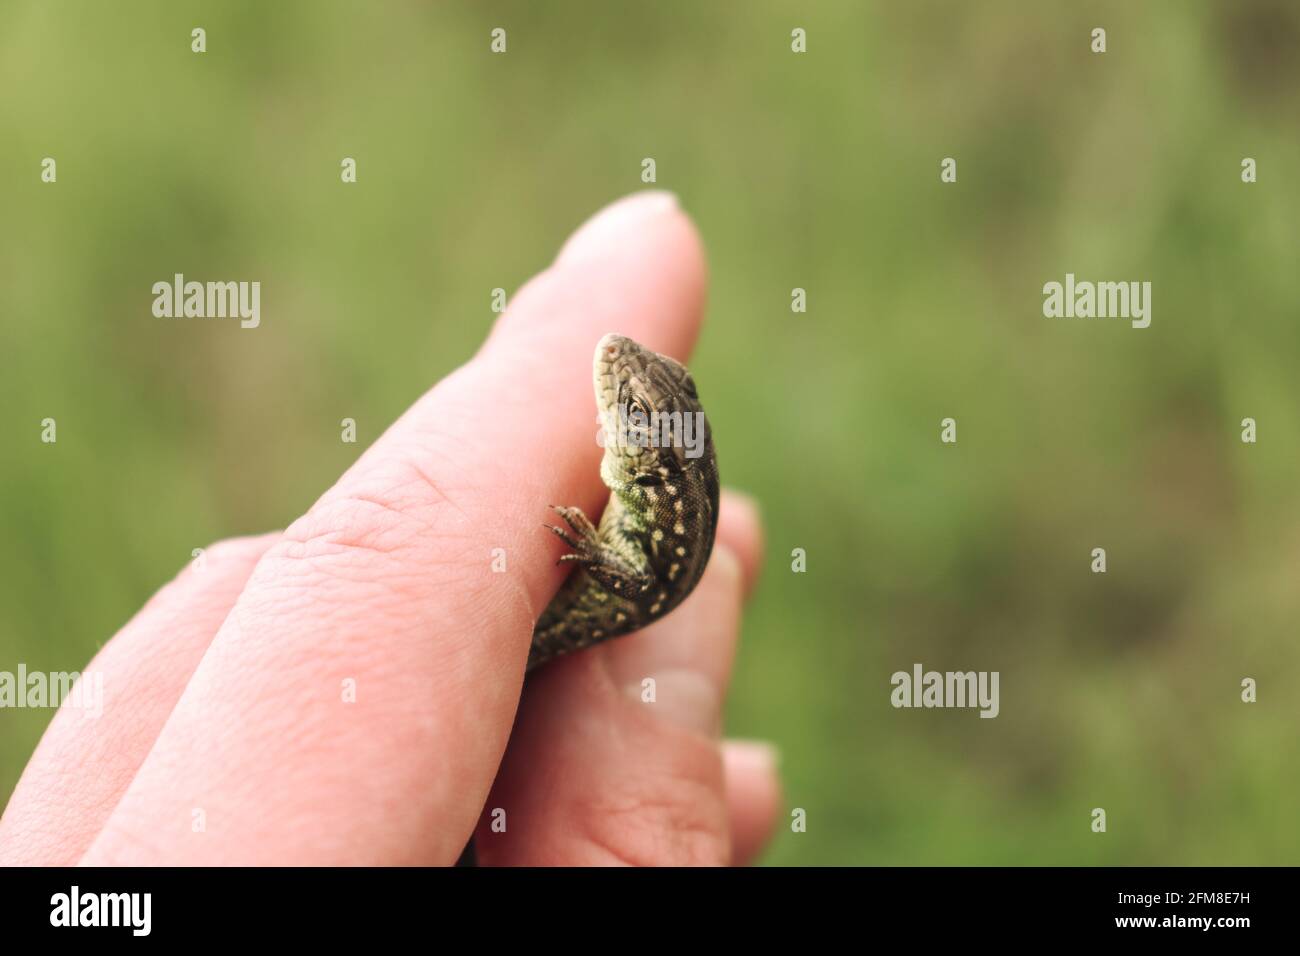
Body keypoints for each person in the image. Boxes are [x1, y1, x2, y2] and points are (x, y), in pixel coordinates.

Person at [0, 192, 781, 866]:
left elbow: (639, 573)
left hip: (580, 627)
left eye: (636, 409)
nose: (618, 368)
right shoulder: (661, 480)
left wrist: (591, 550)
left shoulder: (652, 519)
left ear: (648, 461)